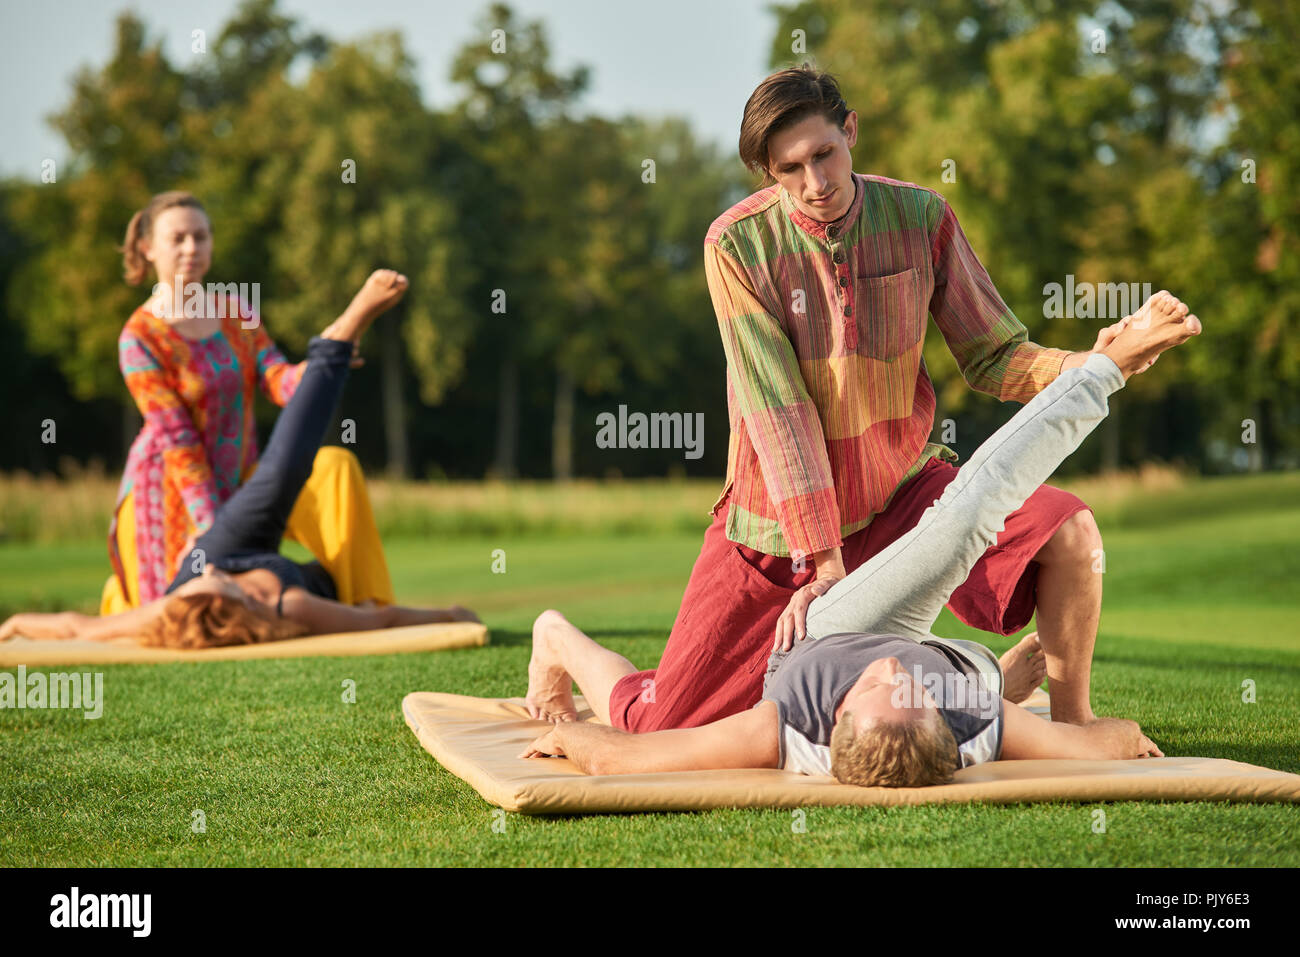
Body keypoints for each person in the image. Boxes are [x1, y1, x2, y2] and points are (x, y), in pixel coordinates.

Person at [607, 64, 1162, 735]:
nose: (815, 184)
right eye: (790, 170)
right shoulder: (736, 246)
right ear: (768, 175)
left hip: (903, 493)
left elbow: (993, 355)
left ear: (850, 132)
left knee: (1069, 531)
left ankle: (1074, 725)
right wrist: (826, 562)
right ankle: (560, 644)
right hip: (779, 524)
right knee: (663, 727)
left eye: (824, 154)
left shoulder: (921, 216)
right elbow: (780, 416)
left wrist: (1091, 363)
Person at [520, 292, 1199, 785]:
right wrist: (1119, 739)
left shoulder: (784, 724)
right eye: (912, 690)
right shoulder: (970, 718)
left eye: (875, 687)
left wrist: (567, 737)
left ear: (834, 718)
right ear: (939, 718)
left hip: (831, 628)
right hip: (965, 669)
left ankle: (555, 636)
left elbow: (618, 758)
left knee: (655, 722)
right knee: (984, 660)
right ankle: (1104, 369)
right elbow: (1107, 743)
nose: (893, 668)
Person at [2, 271, 478, 650]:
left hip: (219, 513)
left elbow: (78, 628)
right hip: (183, 484)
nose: (208, 575)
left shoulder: (188, 592)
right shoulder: (287, 605)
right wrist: (451, 615)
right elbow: (381, 621)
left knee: (281, 471)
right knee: (292, 473)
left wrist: (17, 622)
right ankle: (333, 347)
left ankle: (336, 341)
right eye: (217, 586)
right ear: (246, 602)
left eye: (198, 583)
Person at [105, 191, 393, 613]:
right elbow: (179, 443)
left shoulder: (236, 312)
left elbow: (278, 380)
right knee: (178, 621)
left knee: (335, 468)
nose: (191, 248)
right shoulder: (139, 338)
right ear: (148, 248)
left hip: (245, 478)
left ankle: (367, 609)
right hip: (170, 496)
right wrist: (210, 532)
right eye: (178, 238)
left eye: (201, 237)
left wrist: (323, 369)